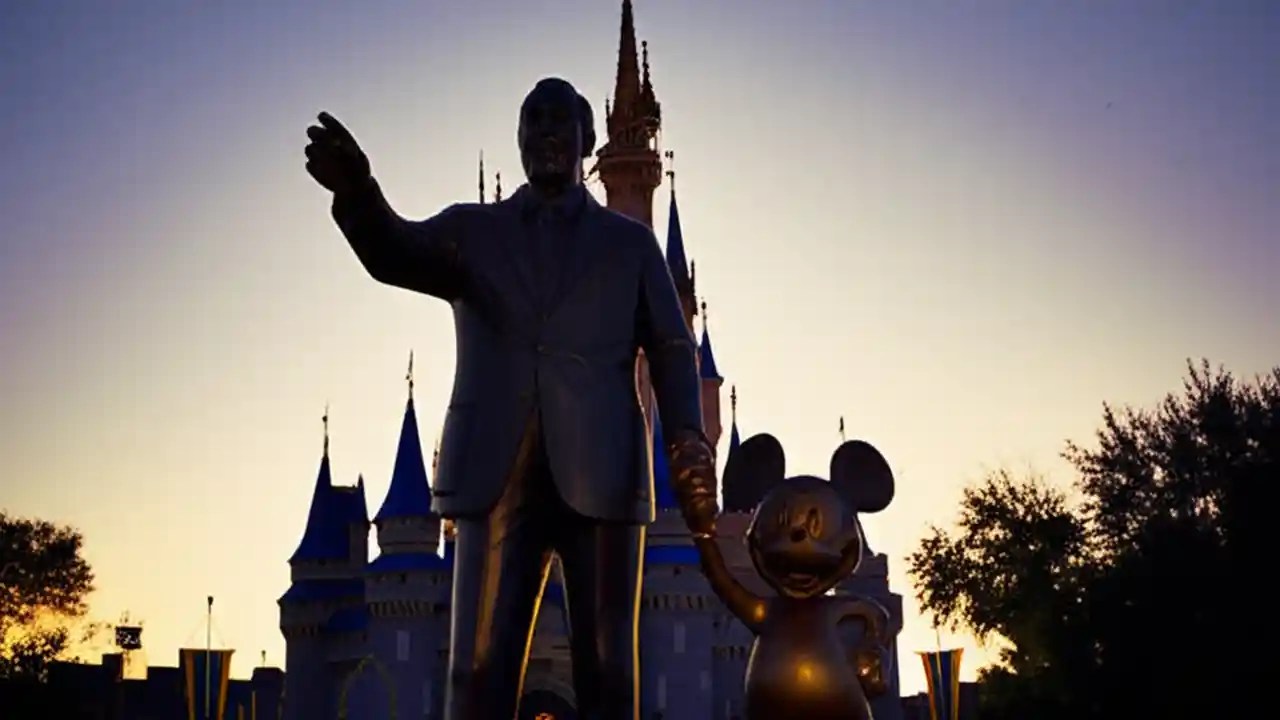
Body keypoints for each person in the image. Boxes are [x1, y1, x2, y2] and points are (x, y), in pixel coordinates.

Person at [304, 77, 718, 720]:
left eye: (562, 122)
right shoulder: (474, 232)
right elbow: (396, 252)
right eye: (534, 121)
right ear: (519, 139)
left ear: (588, 140)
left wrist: (687, 438)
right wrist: (359, 193)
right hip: (497, 473)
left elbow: (670, 344)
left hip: (604, 471)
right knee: (475, 671)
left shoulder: (630, 244)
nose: (548, 132)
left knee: (610, 672)